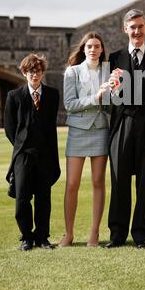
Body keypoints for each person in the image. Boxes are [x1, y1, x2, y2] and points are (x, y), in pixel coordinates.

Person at [106, 9, 145, 249]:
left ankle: (141, 235)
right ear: (125, 29)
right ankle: (117, 235)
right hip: (121, 125)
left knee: (143, 182)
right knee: (119, 181)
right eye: (132, 27)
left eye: (140, 26)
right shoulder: (114, 58)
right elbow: (112, 98)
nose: (137, 31)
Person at [4, 54, 60, 251]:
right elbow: (10, 128)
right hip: (23, 154)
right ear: (24, 72)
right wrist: (22, 145)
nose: (34, 75)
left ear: (42, 72)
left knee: (44, 197)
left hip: (45, 154)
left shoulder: (53, 95)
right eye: (30, 71)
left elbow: (50, 125)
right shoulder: (14, 96)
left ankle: (42, 237)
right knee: (22, 198)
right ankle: (26, 237)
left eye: (37, 71)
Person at [59, 32, 110, 248]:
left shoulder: (108, 71)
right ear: (84, 48)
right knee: (72, 184)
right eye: (89, 46)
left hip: (100, 130)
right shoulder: (72, 72)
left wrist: (113, 94)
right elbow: (69, 104)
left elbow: (111, 102)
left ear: (101, 49)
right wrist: (95, 97)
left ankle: (94, 234)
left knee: (98, 182)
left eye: (97, 46)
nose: (93, 49)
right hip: (78, 131)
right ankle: (68, 234)